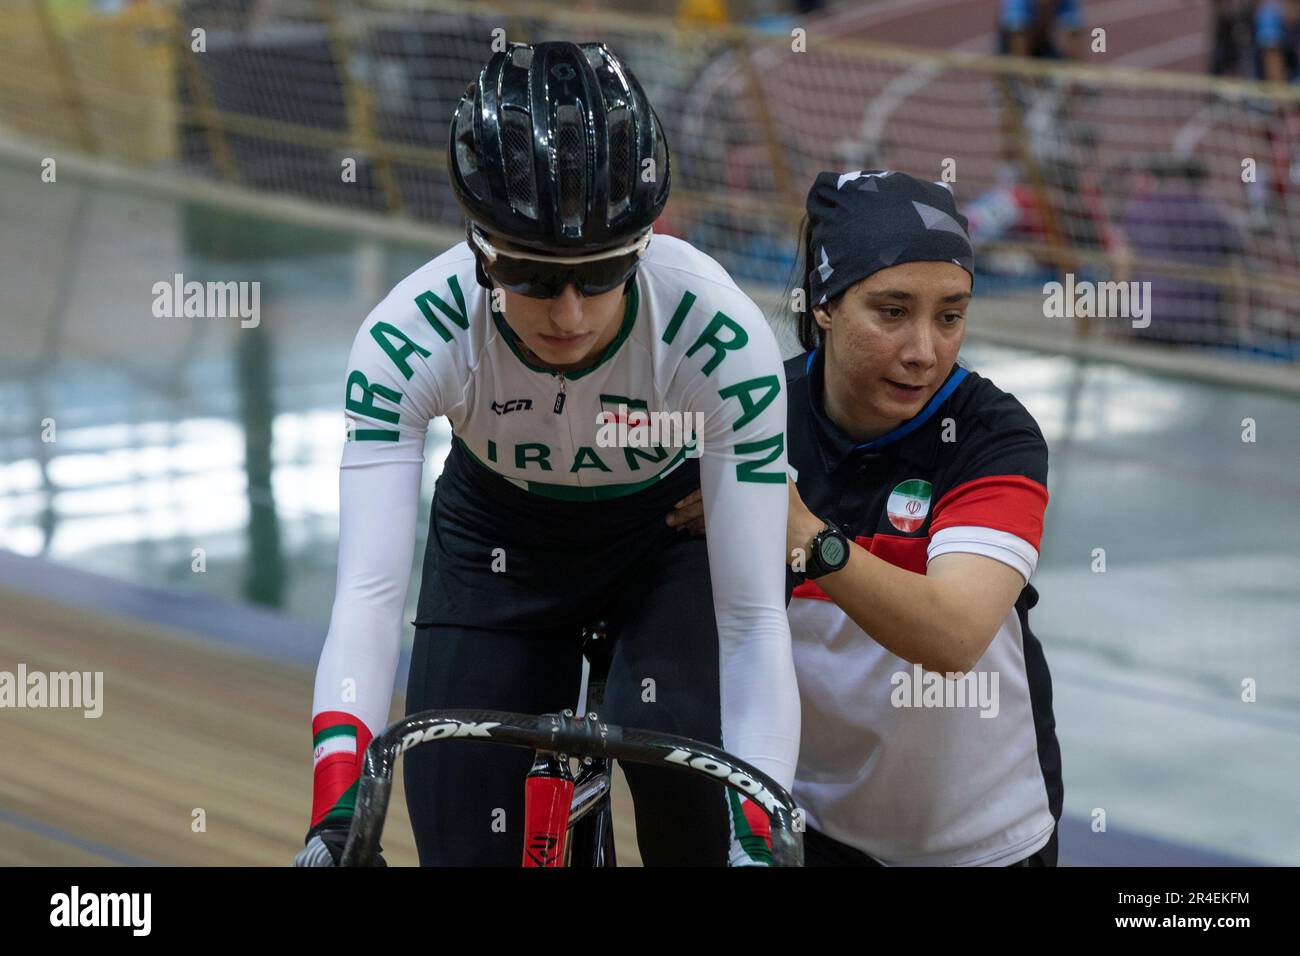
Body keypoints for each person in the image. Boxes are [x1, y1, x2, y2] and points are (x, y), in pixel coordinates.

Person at [294, 41, 799, 867]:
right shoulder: (409, 335)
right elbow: (368, 597)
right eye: (531, 274)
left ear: (644, 246)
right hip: (500, 541)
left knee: (698, 814)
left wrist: (758, 834)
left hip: (667, 540)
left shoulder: (719, 333)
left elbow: (750, 625)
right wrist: (337, 809)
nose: (568, 312)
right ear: (479, 249)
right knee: (464, 844)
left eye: (600, 274)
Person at [670, 170, 1062, 866]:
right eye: (891, 311)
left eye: (950, 315)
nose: (924, 351)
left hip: (984, 843)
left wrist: (805, 537)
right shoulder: (753, 418)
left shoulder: (992, 435)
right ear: (824, 304)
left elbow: (953, 637)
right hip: (816, 825)